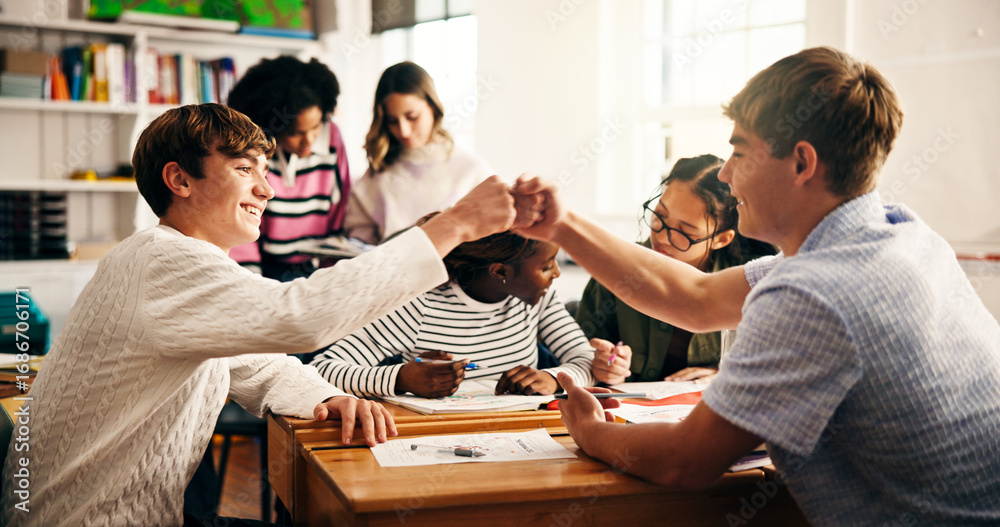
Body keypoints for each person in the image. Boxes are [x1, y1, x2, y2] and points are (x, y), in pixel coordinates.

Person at [513, 46, 1000, 525]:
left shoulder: (815, 293)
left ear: (802, 163)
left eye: (740, 151)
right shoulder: (901, 233)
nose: (725, 173)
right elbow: (695, 298)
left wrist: (591, 431)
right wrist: (562, 225)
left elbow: (684, 461)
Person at [0, 103, 529, 527]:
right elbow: (302, 316)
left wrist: (328, 396)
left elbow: (258, 361)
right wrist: (453, 226)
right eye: (243, 169)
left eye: (265, 170)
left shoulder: (180, 264)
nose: (267, 189)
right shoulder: (164, 260)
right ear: (179, 181)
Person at [311, 217, 595, 398]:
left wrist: (553, 378)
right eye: (546, 266)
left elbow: (587, 360)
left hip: (524, 437)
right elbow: (322, 369)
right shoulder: (419, 305)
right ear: (500, 271)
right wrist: (401, 378)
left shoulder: (539, 299)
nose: (557, 274)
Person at [576, 155, 776, 385]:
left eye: (685, 232)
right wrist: (600, 367)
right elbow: (579, 355)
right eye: (660, 216)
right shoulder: (617, 270)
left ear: (721, 239)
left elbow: (776, 365)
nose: (661, 237)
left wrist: (723, 374)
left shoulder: (751, 284)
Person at [225, 56, 351, 281]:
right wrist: (252, 282)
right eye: (295, 133)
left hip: (317, 266)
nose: (309, 140)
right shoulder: (254, 150)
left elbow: (339, 206)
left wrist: (330, 272)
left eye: (315, 127)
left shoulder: (333, 137)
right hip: (263, 267)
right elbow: (242, 219)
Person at [343, 61, 493, 244]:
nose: (403, 131)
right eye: (392, 121)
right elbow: (358, 239)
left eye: (412, 117)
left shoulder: (471, 169)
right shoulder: (378, 172)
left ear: (433, 106)